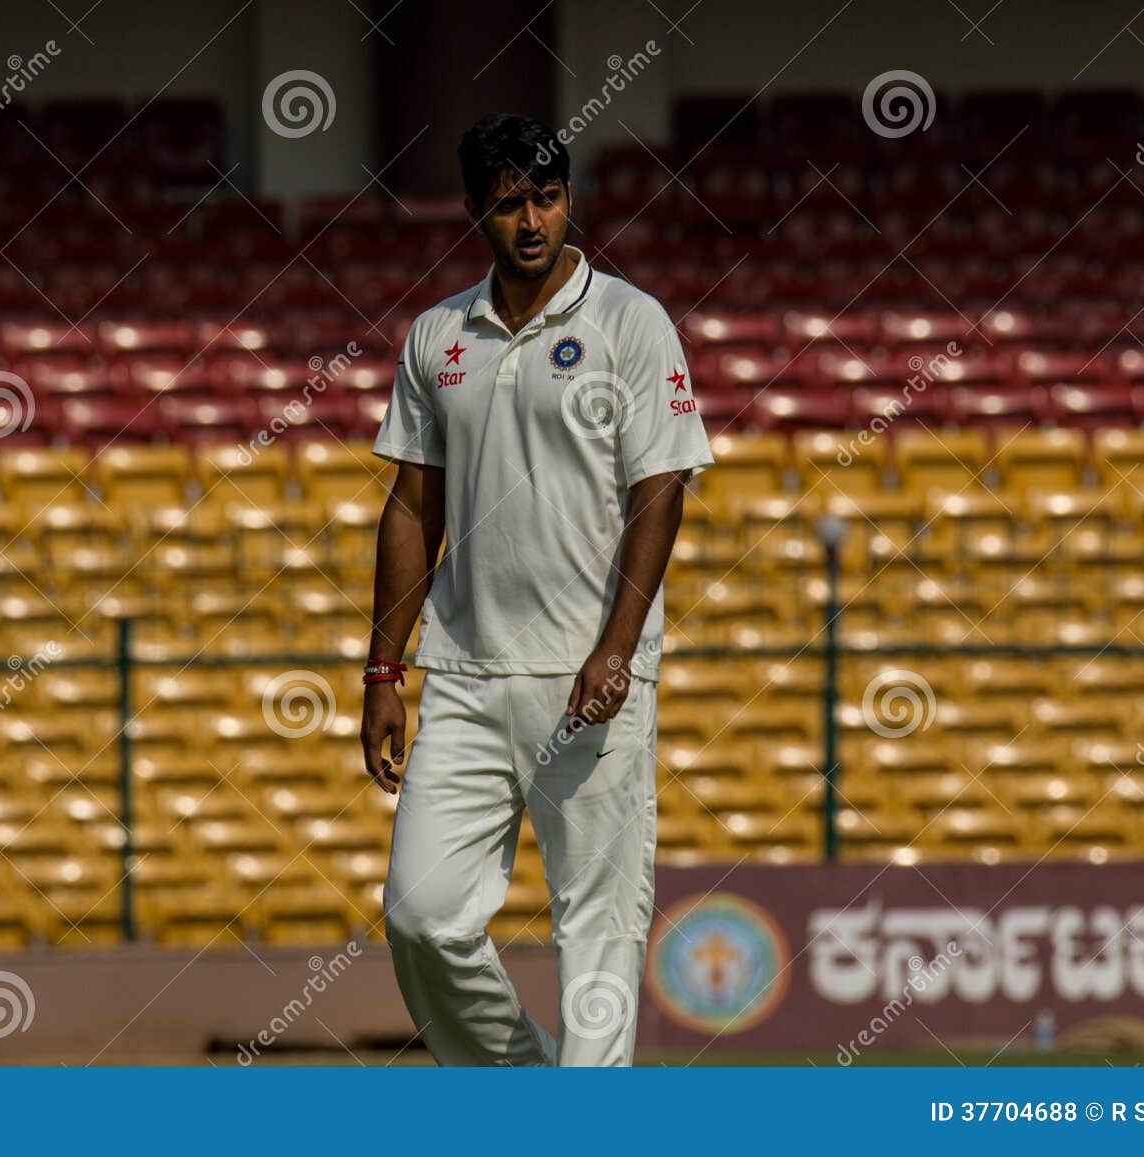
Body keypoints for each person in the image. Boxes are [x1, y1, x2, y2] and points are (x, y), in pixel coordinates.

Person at [360, 112, 713, 1066]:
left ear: (569, 200)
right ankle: (528, 1090)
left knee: (596, 939)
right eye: (509, 202)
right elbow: (408, 507)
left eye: (546, 198)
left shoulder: (631, 322)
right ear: (476, 210)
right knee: (421, 919)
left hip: (590, 681)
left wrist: (619, 644)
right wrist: (383, 670)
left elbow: (662, 488)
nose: (531, 221)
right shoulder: (437, 337)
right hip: (467, 680)